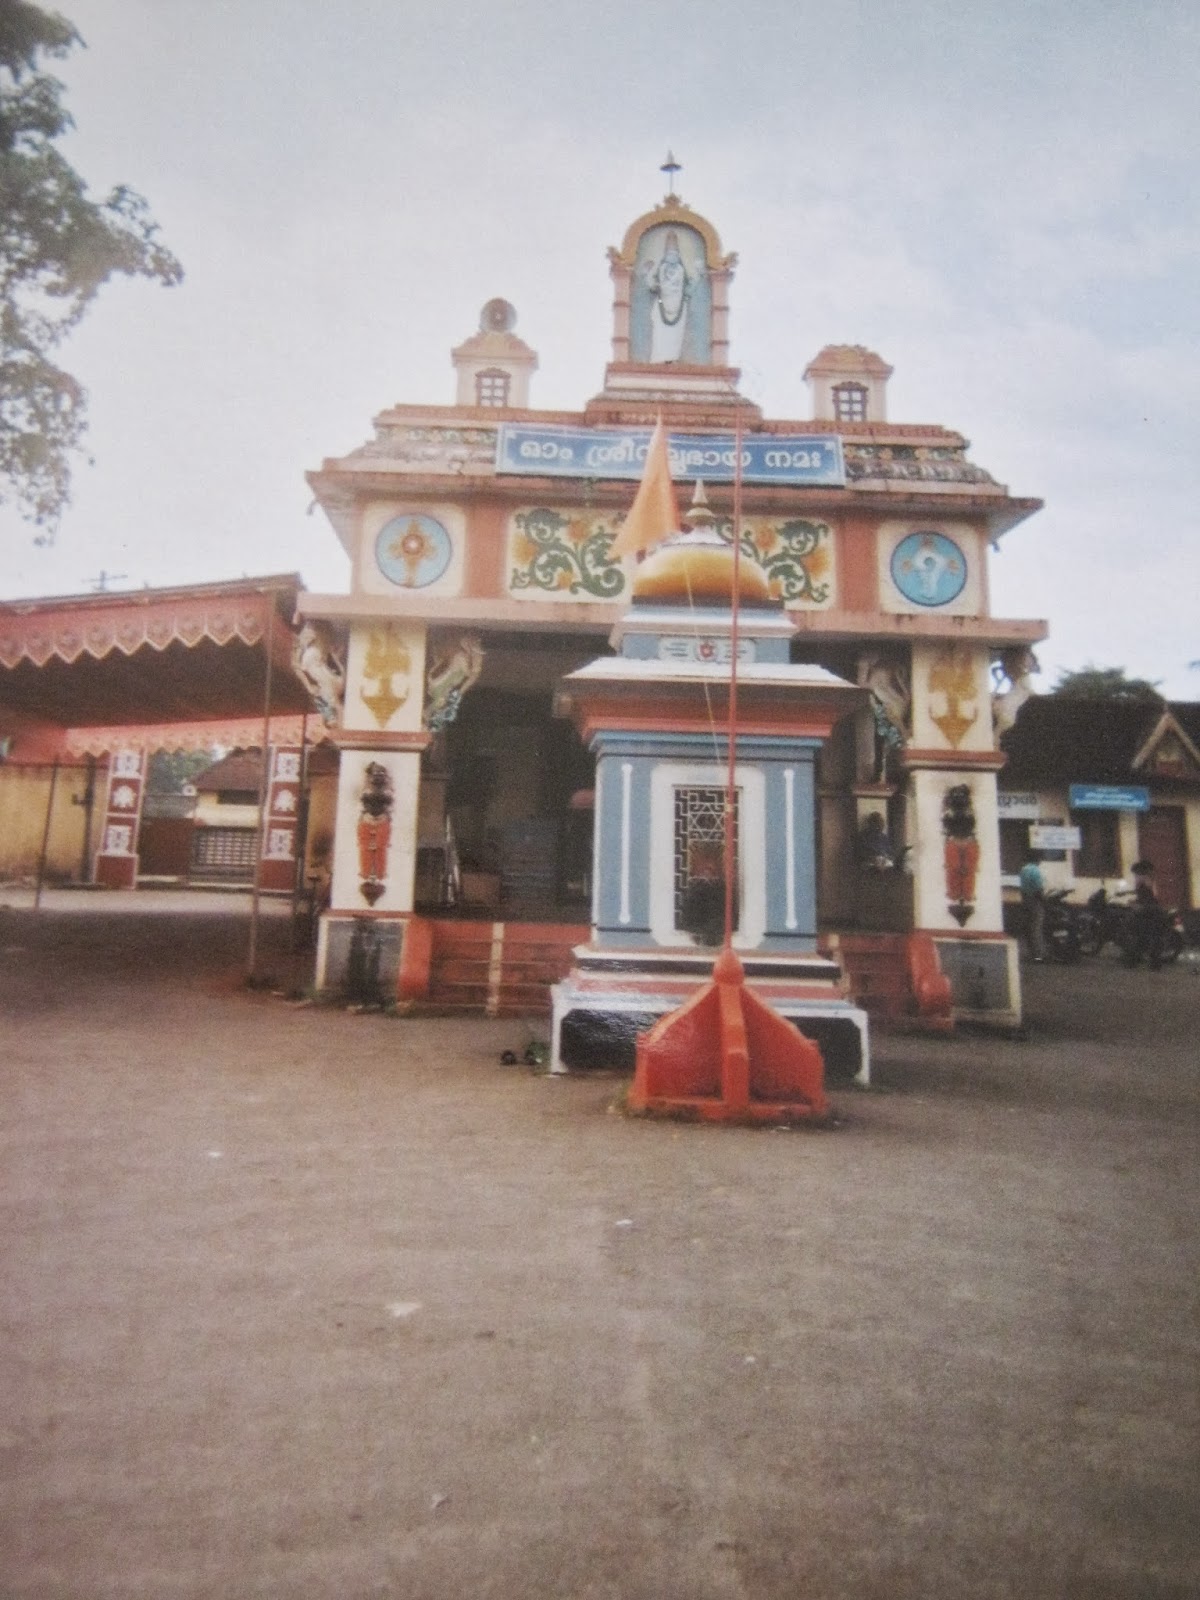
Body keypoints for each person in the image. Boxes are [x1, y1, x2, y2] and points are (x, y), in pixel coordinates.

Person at [1126, 858, 1168, 968]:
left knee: (1141, 935)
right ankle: (1153, 962)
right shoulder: (1150, 879)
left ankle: (1135, 961)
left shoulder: (1144, 880)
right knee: (1151, 937)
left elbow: (1146, 897)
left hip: (1148, 911)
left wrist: (1136, 904)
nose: (1135, 876)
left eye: (1136, 873)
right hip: (1154, 909)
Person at [1018, 852, 1046, 962]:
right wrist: (1044, 902)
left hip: (1026, 900)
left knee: (1029, 928)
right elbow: (1038, 889)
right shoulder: (1035, 870)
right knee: (1036, 928)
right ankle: (1038, 955)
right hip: (1035, 901)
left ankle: (1032, 953)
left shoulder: (1023, 870)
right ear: (1037, 859)